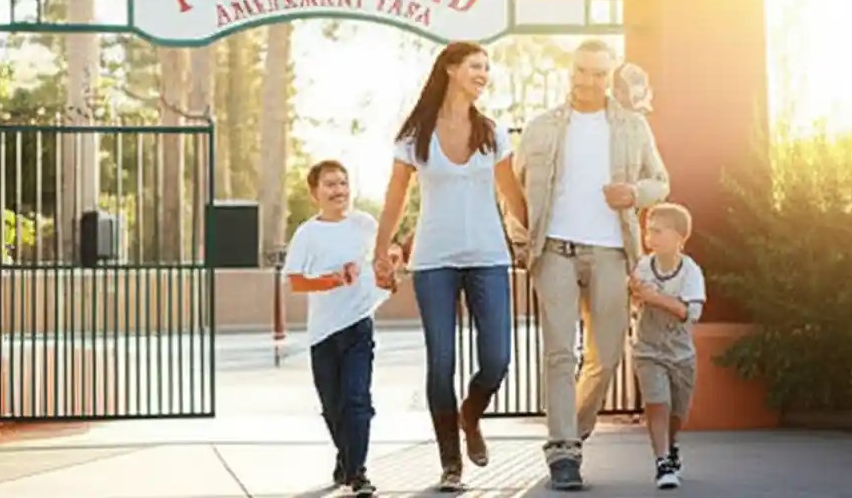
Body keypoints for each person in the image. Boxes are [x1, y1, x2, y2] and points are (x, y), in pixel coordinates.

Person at [510, 38, 670, 491]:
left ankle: (573, 429)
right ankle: (562, 451)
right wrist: (522, 243)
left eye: (599, 73)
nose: (588, 80)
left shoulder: (632, 127)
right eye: (581, 70)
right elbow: (515, 194)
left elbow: (661, 181)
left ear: (610, 75)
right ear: (571, 71)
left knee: (608, 353)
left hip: (611, 251)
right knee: (560, 353)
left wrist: (633, 195)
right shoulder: (541, 127)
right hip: (555, 249)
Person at [372, 41, 529, 492]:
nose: (483, 73)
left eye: (487, 67)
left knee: (497, 359)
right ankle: (450, 464)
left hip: (488, 257)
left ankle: (471, 415)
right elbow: (395, 198)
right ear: (451, 69)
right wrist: (382, 250)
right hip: (434, 261)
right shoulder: (414, 136)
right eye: (476, 66)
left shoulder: (492, 133)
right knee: (441, 364)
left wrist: (533, 236)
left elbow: (512, 195)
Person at [283, 159, 393, 497]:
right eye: (330, 184)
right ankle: (346, 459)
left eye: (343, 183)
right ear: (315, 192)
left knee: (357, 399)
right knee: (333, 405)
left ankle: (357, 473)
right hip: (324, 334)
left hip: (359, 324)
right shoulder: (307, 233)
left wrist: (391, 265)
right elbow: (296, 283)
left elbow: (383, 259)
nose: (339, 190)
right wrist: (332, 280)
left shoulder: (364, 224)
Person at [629, 203, 706, 489]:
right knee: (657, 403)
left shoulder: (691, 272)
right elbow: (636, 296)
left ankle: (671, 445)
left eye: (659, 231)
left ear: (679, 237)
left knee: (678, 411)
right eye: (649, 231)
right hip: (648, 350)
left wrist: (657, 298)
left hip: (681, 354)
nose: (651, 237)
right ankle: (662, 461)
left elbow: (689, 312)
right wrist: (640, 295)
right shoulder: (643, 267)